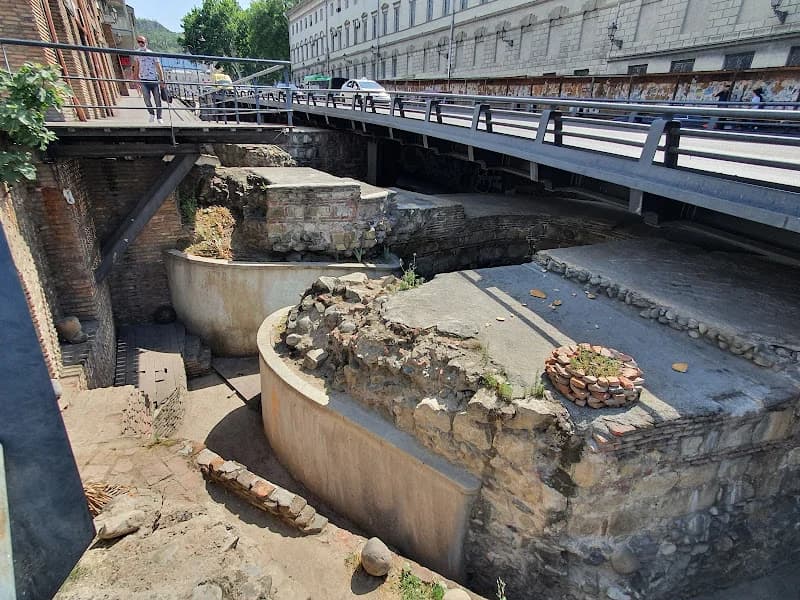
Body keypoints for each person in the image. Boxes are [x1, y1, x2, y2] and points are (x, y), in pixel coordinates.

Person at [132, 35, 166, 124]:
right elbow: (136, 67)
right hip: (143, 80)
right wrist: (135, 79)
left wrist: (162, 80)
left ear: (146, 42)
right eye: (139, 42)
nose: (140, 44)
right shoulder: (136, 54)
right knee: (146, 99)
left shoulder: (152, 54)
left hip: (154, 80)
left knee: (157, 99)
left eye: (142, 42)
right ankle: (151, 113)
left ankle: (159, 117)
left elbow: (158, 67)